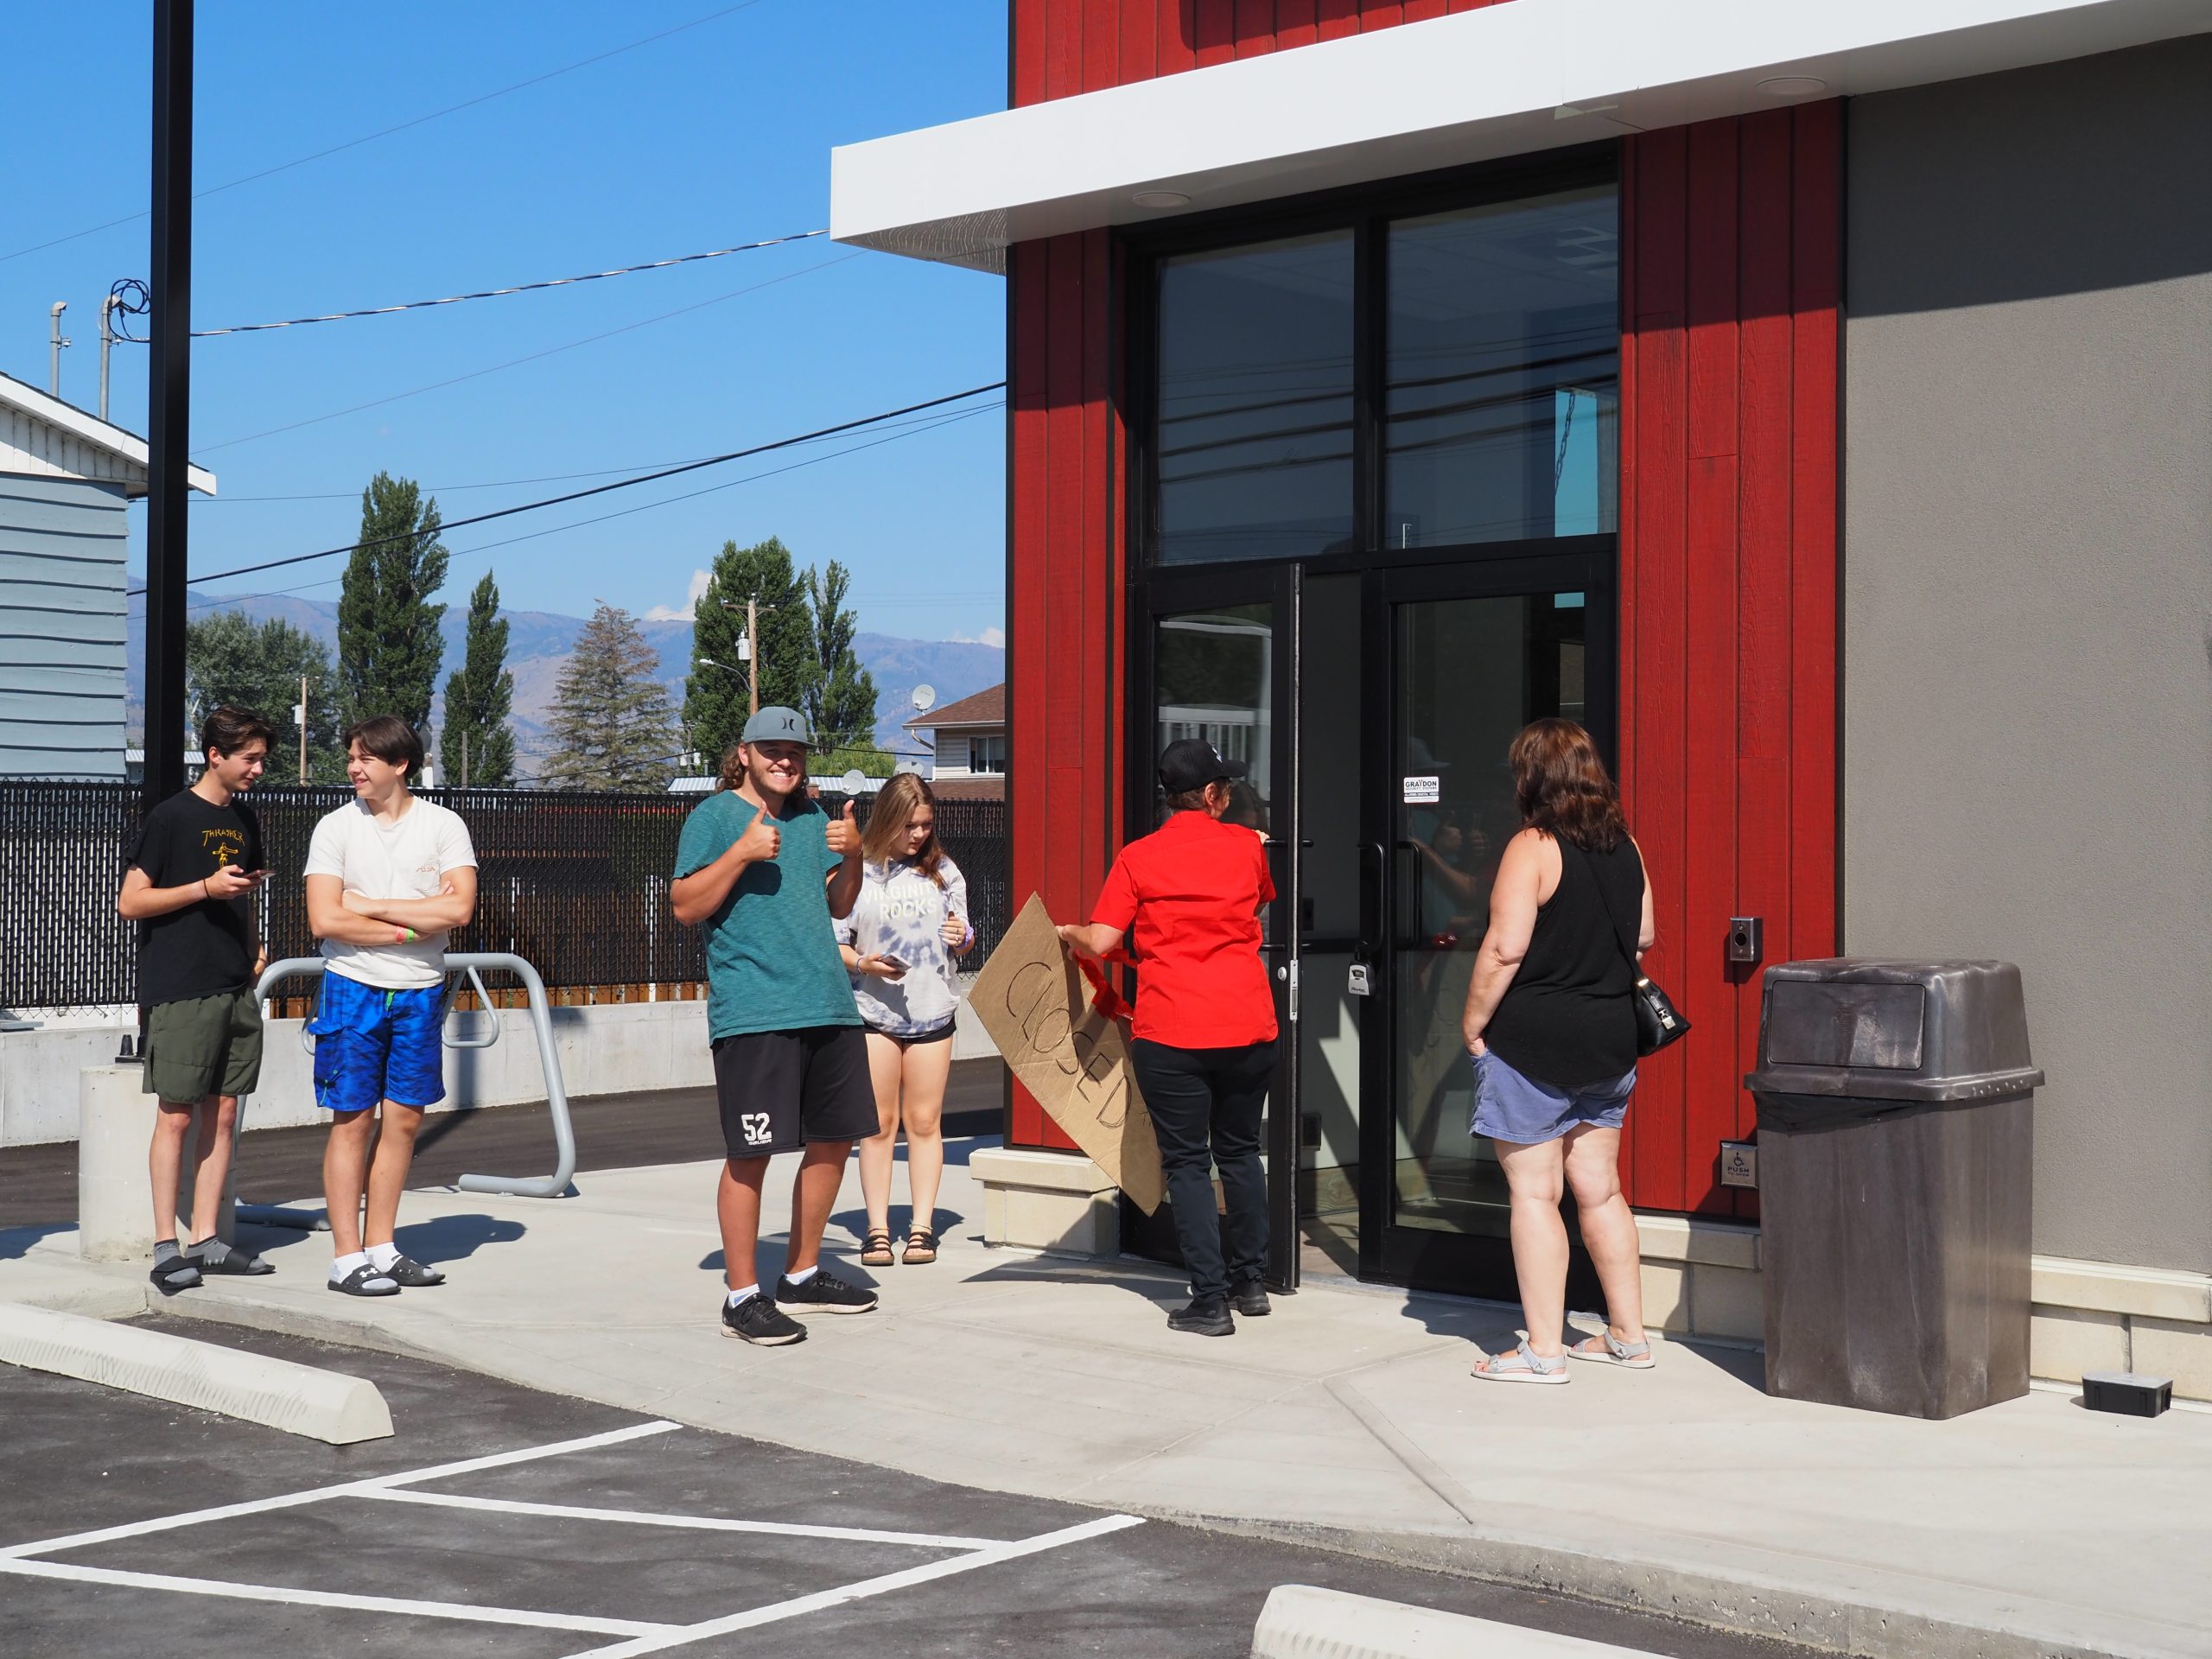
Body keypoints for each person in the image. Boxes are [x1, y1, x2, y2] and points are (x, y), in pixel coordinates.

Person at [671, 706, 880, 1345]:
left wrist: (855, 858)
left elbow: (839, 905)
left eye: (793, 751)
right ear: (745, 753)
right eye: (771, 750)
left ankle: (802, 1273)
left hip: (829, 1003)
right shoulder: (714, 818)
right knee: (751, 1153)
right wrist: (740, 853)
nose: (784, 760)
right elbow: (684, 908)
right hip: (756, 1010)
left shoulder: (815, 817)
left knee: (834, 1141)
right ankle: (742, 1297)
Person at [1058, 738, 1278, 1337]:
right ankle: (1251, 1283)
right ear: (1211, 795)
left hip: (1174, 1027)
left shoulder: (1139, 856)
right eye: (1224, 788)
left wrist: (1068, 932)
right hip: (1247, 1023)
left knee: (1187, 1162)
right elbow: (1254, 906)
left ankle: (1210, 1300)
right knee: (1238, 1152)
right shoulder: (1245, 846)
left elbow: (1102, 941)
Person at [1458, 718, 1656, 1382]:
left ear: (1531, 779)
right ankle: (1628, 1337)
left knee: (1536, 1196)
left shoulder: (1532, 847)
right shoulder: (1624, 845)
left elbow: (1504, 947)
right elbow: (1646, 934)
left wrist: (1473, 1022)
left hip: (1535, 1043)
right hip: (1610, 1040)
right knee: (1601, 1193)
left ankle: (1544, 1350)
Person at [302, 716, 478, 1298]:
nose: (354, 768)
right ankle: (346, 1257)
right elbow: (326, 919)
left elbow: (458, 911)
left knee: (403, 1120)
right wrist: (411, 926)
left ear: (400, 764)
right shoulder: (334, 828)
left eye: (365, 758)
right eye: (352, 757)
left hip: (421, 990)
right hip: (351, 985)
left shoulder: (443, 824)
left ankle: (383, 1245)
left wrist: (371, 907)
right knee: (353, 1118)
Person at [118, 705, 279, 1294]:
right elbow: (131, 902)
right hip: (182, 985)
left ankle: (207, 1239)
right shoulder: (170, 818)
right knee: (178, 1113)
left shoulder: (245, 817)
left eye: (263, 759)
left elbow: (248, 890)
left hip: (235, 984)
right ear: (215, 754)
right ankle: (167, 1246)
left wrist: (256, 948)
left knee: (227, 1109)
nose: (258, 769)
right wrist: (204, 888)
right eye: (250, 758)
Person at [836, 773, 975, 1268]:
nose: (918, 835)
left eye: (926, 825)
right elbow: (837, 944)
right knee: (876, 1127)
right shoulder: (860, 873)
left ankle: (921, 1229)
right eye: (910, 825)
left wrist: (963, 935)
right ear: (888, 820)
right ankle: (876, 1232)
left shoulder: (944, 872)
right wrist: (864, 964)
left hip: (932, 1009)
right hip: (874, 1013)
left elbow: (964, 936)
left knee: (924, 1122)